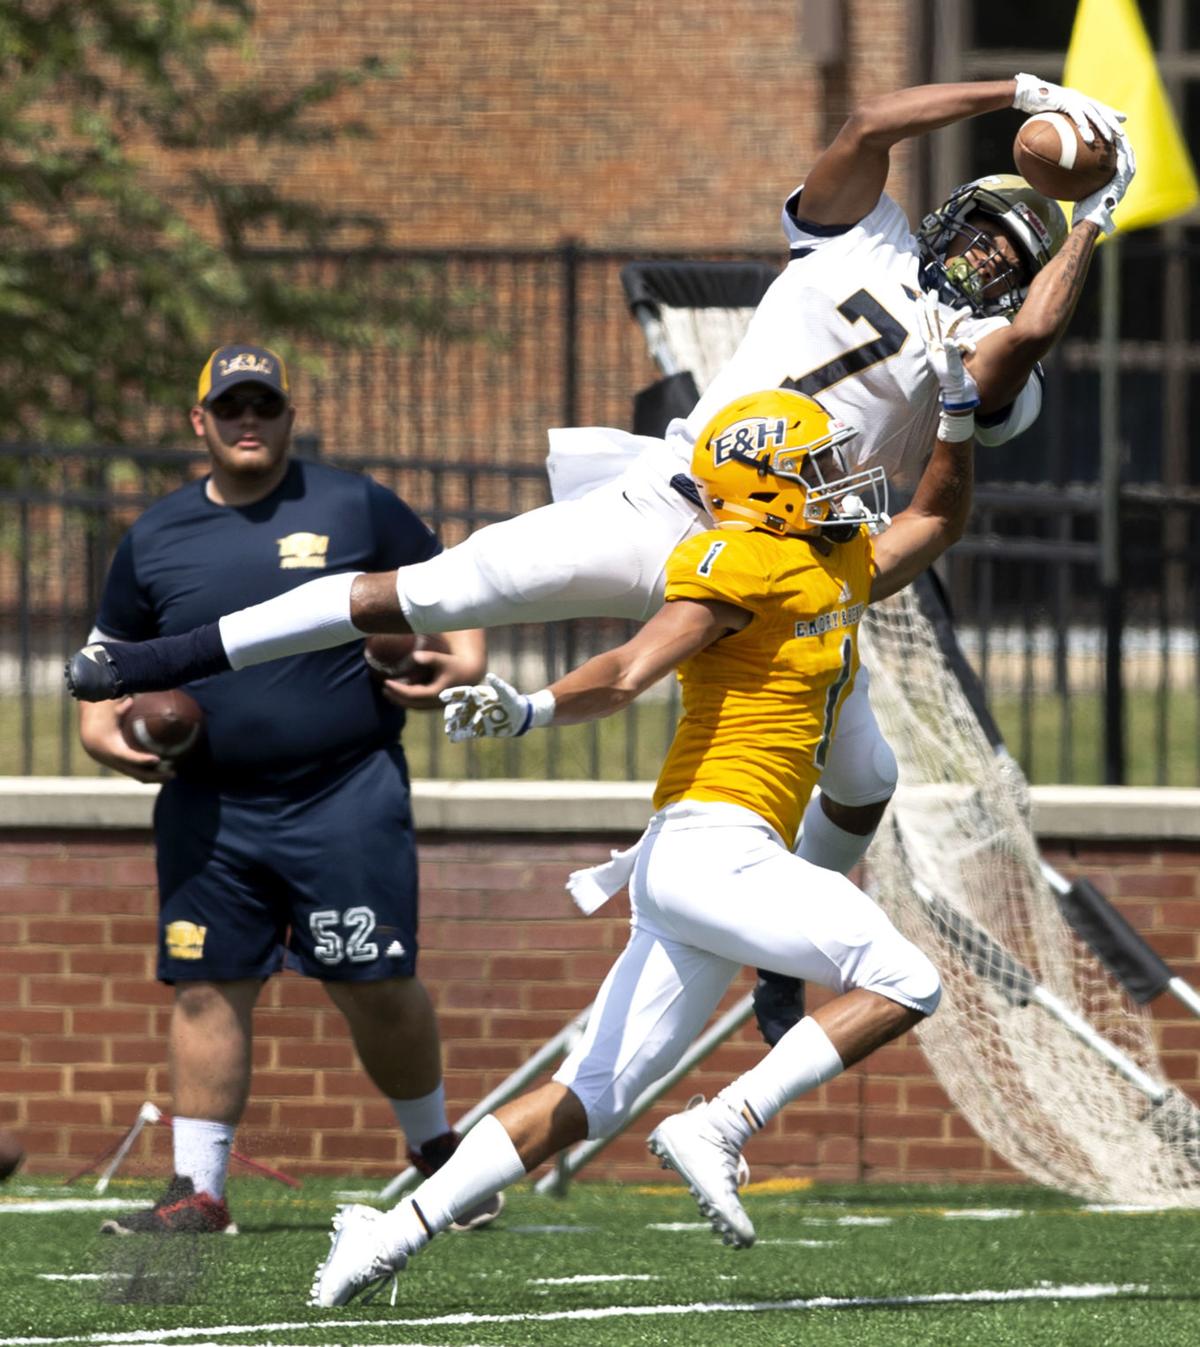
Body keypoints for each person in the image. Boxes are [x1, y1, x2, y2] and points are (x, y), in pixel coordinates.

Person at [65, 73, 1135, 1045]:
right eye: (984, 231)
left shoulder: (987, 352)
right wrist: (1013, 89)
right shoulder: (855, 239)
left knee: (866, 780)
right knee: (428, 590)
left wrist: (1096, 212)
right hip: (671, 503)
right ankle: (159, 657)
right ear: (950, 216)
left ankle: (779, 957)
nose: (988, 257)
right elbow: (867, 126)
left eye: (1012, 254)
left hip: (793, 573)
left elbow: (1028, 343)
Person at [308, 297, 977, 1307]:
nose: (840, 477)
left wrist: (958, 411)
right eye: (815, 466)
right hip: (715, 848)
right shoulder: (738, 559)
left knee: (591, 1093)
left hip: (702, 860)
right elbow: (627, 669)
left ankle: (391, 1229)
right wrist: (532, 709)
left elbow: (933, 519)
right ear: (762, 488)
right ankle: (723, 1122)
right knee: (905, 977)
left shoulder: (828, 557)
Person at [78, 343, 496, 1235]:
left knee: (374, 981)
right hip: (209, 804)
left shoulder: (355, 504)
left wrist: (457, 666)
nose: (248, 420)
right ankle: (199, 1192)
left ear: (288, 416)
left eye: (263, 405)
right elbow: (108, 666)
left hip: (342, 792)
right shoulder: (155, 534)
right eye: (231, 406)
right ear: (200, 421)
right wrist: (107, 736)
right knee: (205, 982)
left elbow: (454, 594)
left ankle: (437, 1151)